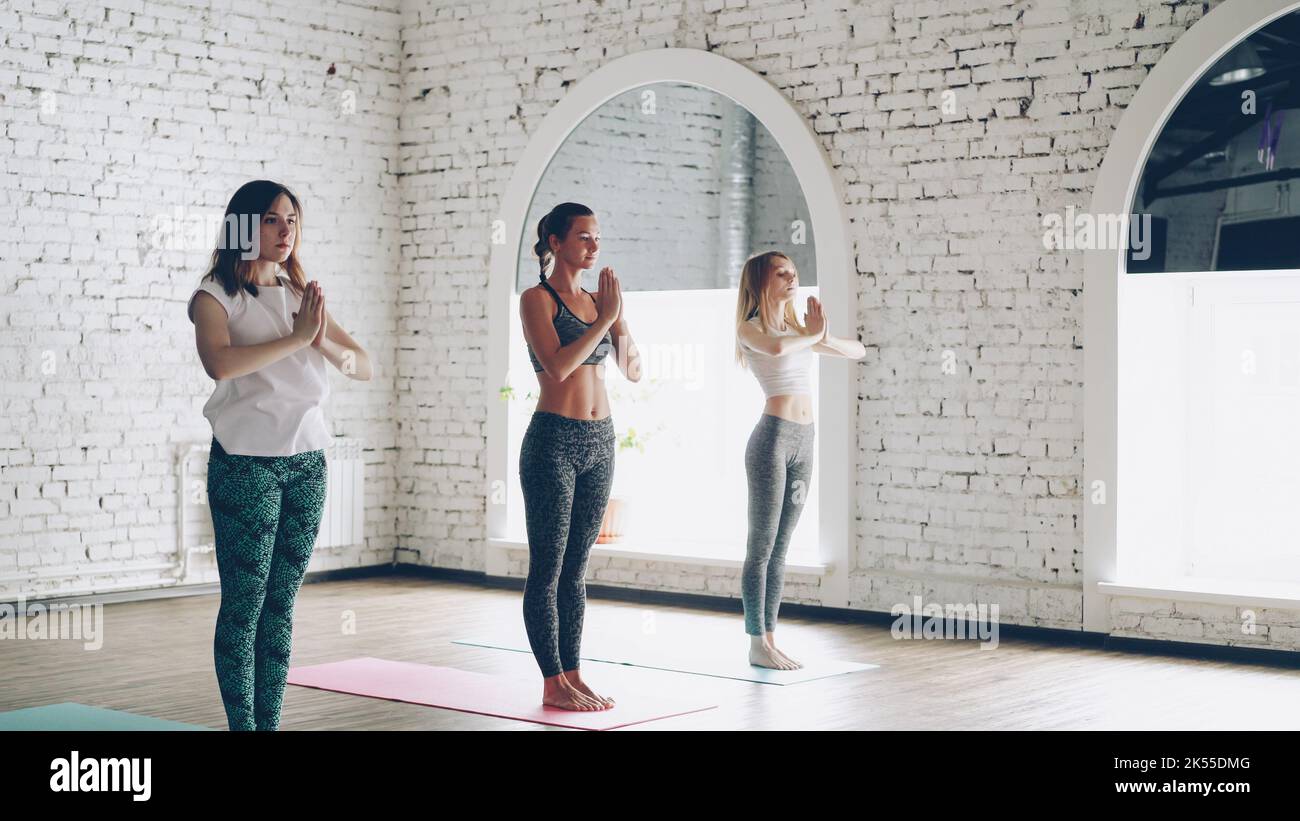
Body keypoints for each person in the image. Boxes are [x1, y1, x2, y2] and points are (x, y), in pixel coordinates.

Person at [187, 179, 372, 729]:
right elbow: (220, 364)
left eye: (291, 219)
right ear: (244, 225)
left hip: (308, 465)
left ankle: (269, 725)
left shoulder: (300, 297)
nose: (285, 230)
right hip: (246, 465)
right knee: (245, 608)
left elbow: (363, 365)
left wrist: (320, 340)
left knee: (281, 607)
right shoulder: (214, 297)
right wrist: (299, 338)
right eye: (271, 219)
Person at [517, 202, 642, 711]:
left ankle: (574, 673)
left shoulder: (600, 302)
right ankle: (551, 681)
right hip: (553, 441)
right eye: (585, 237)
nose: (594, 245)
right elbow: (558, 367)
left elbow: (633, 371)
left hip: (599, 441)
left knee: (577, 568)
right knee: (547, 567)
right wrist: (605, 319)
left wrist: (620, 321)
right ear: (556, 242)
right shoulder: (536, 299)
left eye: (597, 237)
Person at [734, 250, 865, 670]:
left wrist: (819, 334)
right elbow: (774, 348)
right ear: (761, 282)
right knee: (761, 546)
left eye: (794, 272)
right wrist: (812, 335)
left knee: (781, 548)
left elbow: (857, 350)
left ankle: (771, 638)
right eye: (781, 273)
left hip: (803, 440)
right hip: (772, 440)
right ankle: (757, 641)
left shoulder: (799, 329)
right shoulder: (750, 328)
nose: (793, 278)